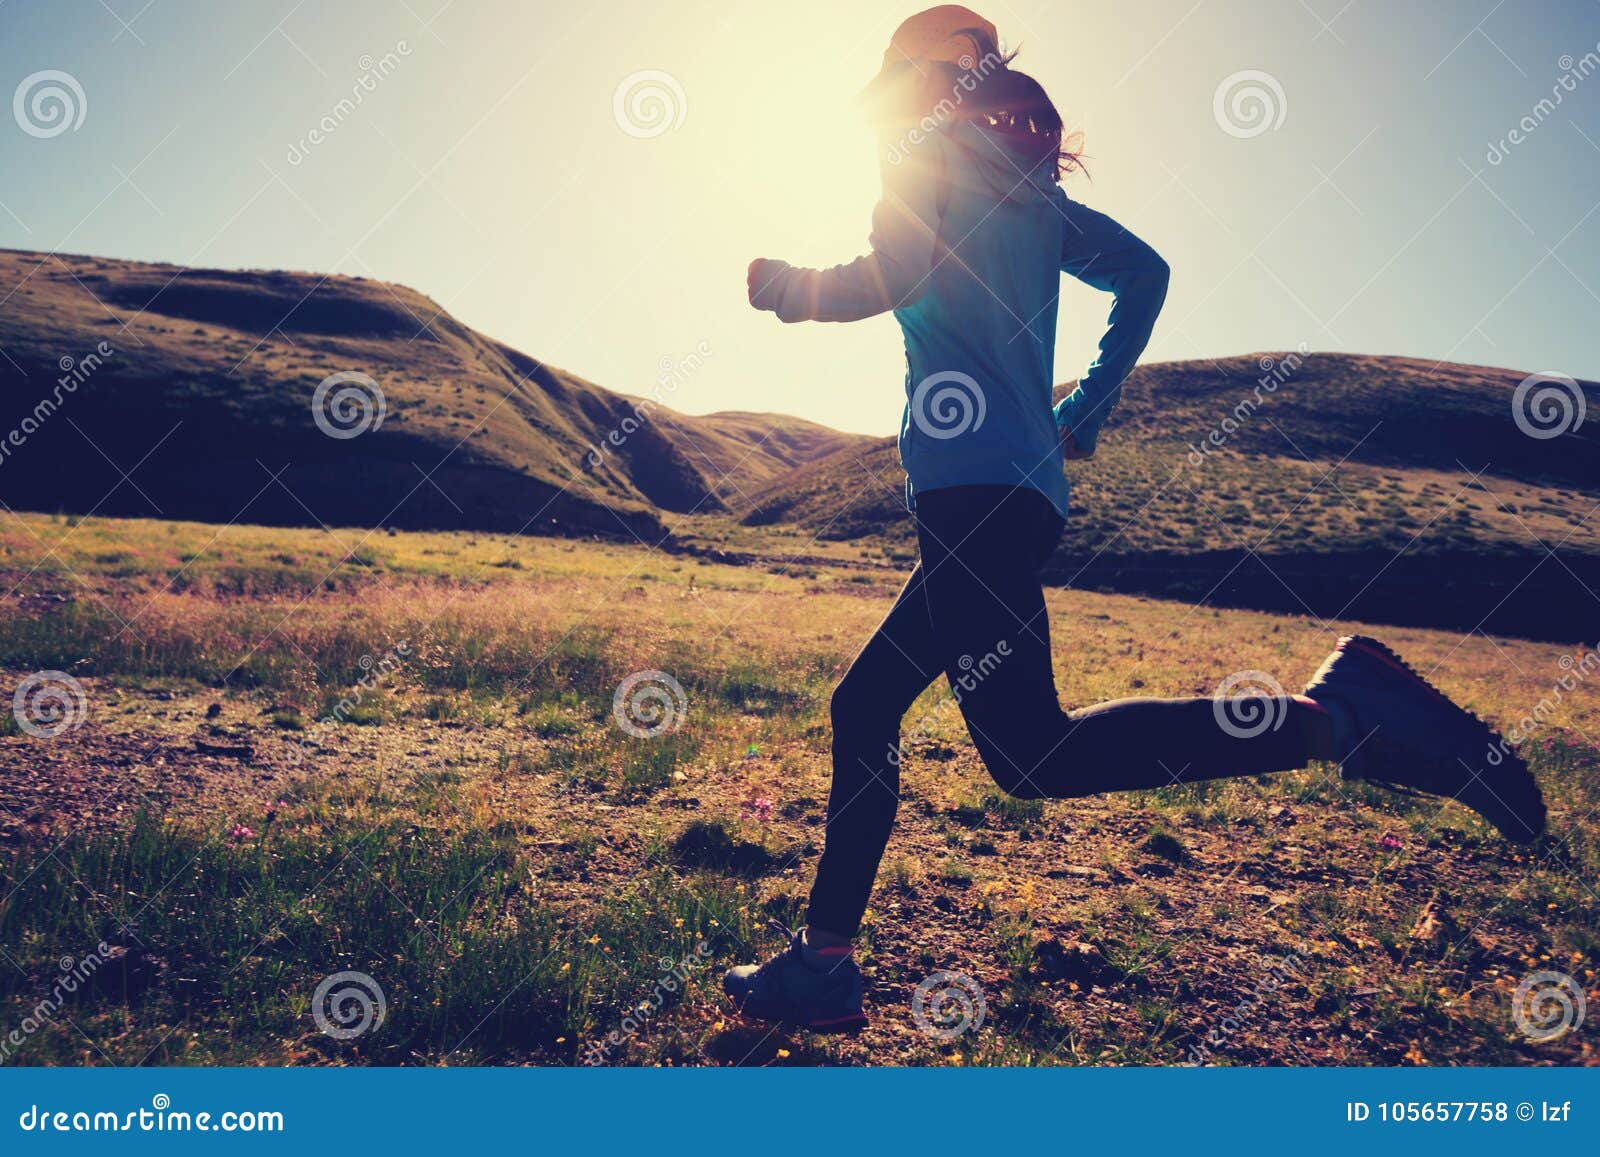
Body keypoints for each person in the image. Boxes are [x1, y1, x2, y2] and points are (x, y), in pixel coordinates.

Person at [724, 4, 1545, 1033]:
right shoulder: (1026, 191)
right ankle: (824, 964)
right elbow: (1145, 273)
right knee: (868, 708)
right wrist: (1089, 403)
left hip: (971, 498)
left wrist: (783, 290)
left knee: (1030, 754)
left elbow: (881, 280)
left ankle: (1344, 716)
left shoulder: (919, 167)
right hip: (1014, 494)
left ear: (929, 79)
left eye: (896, 71)